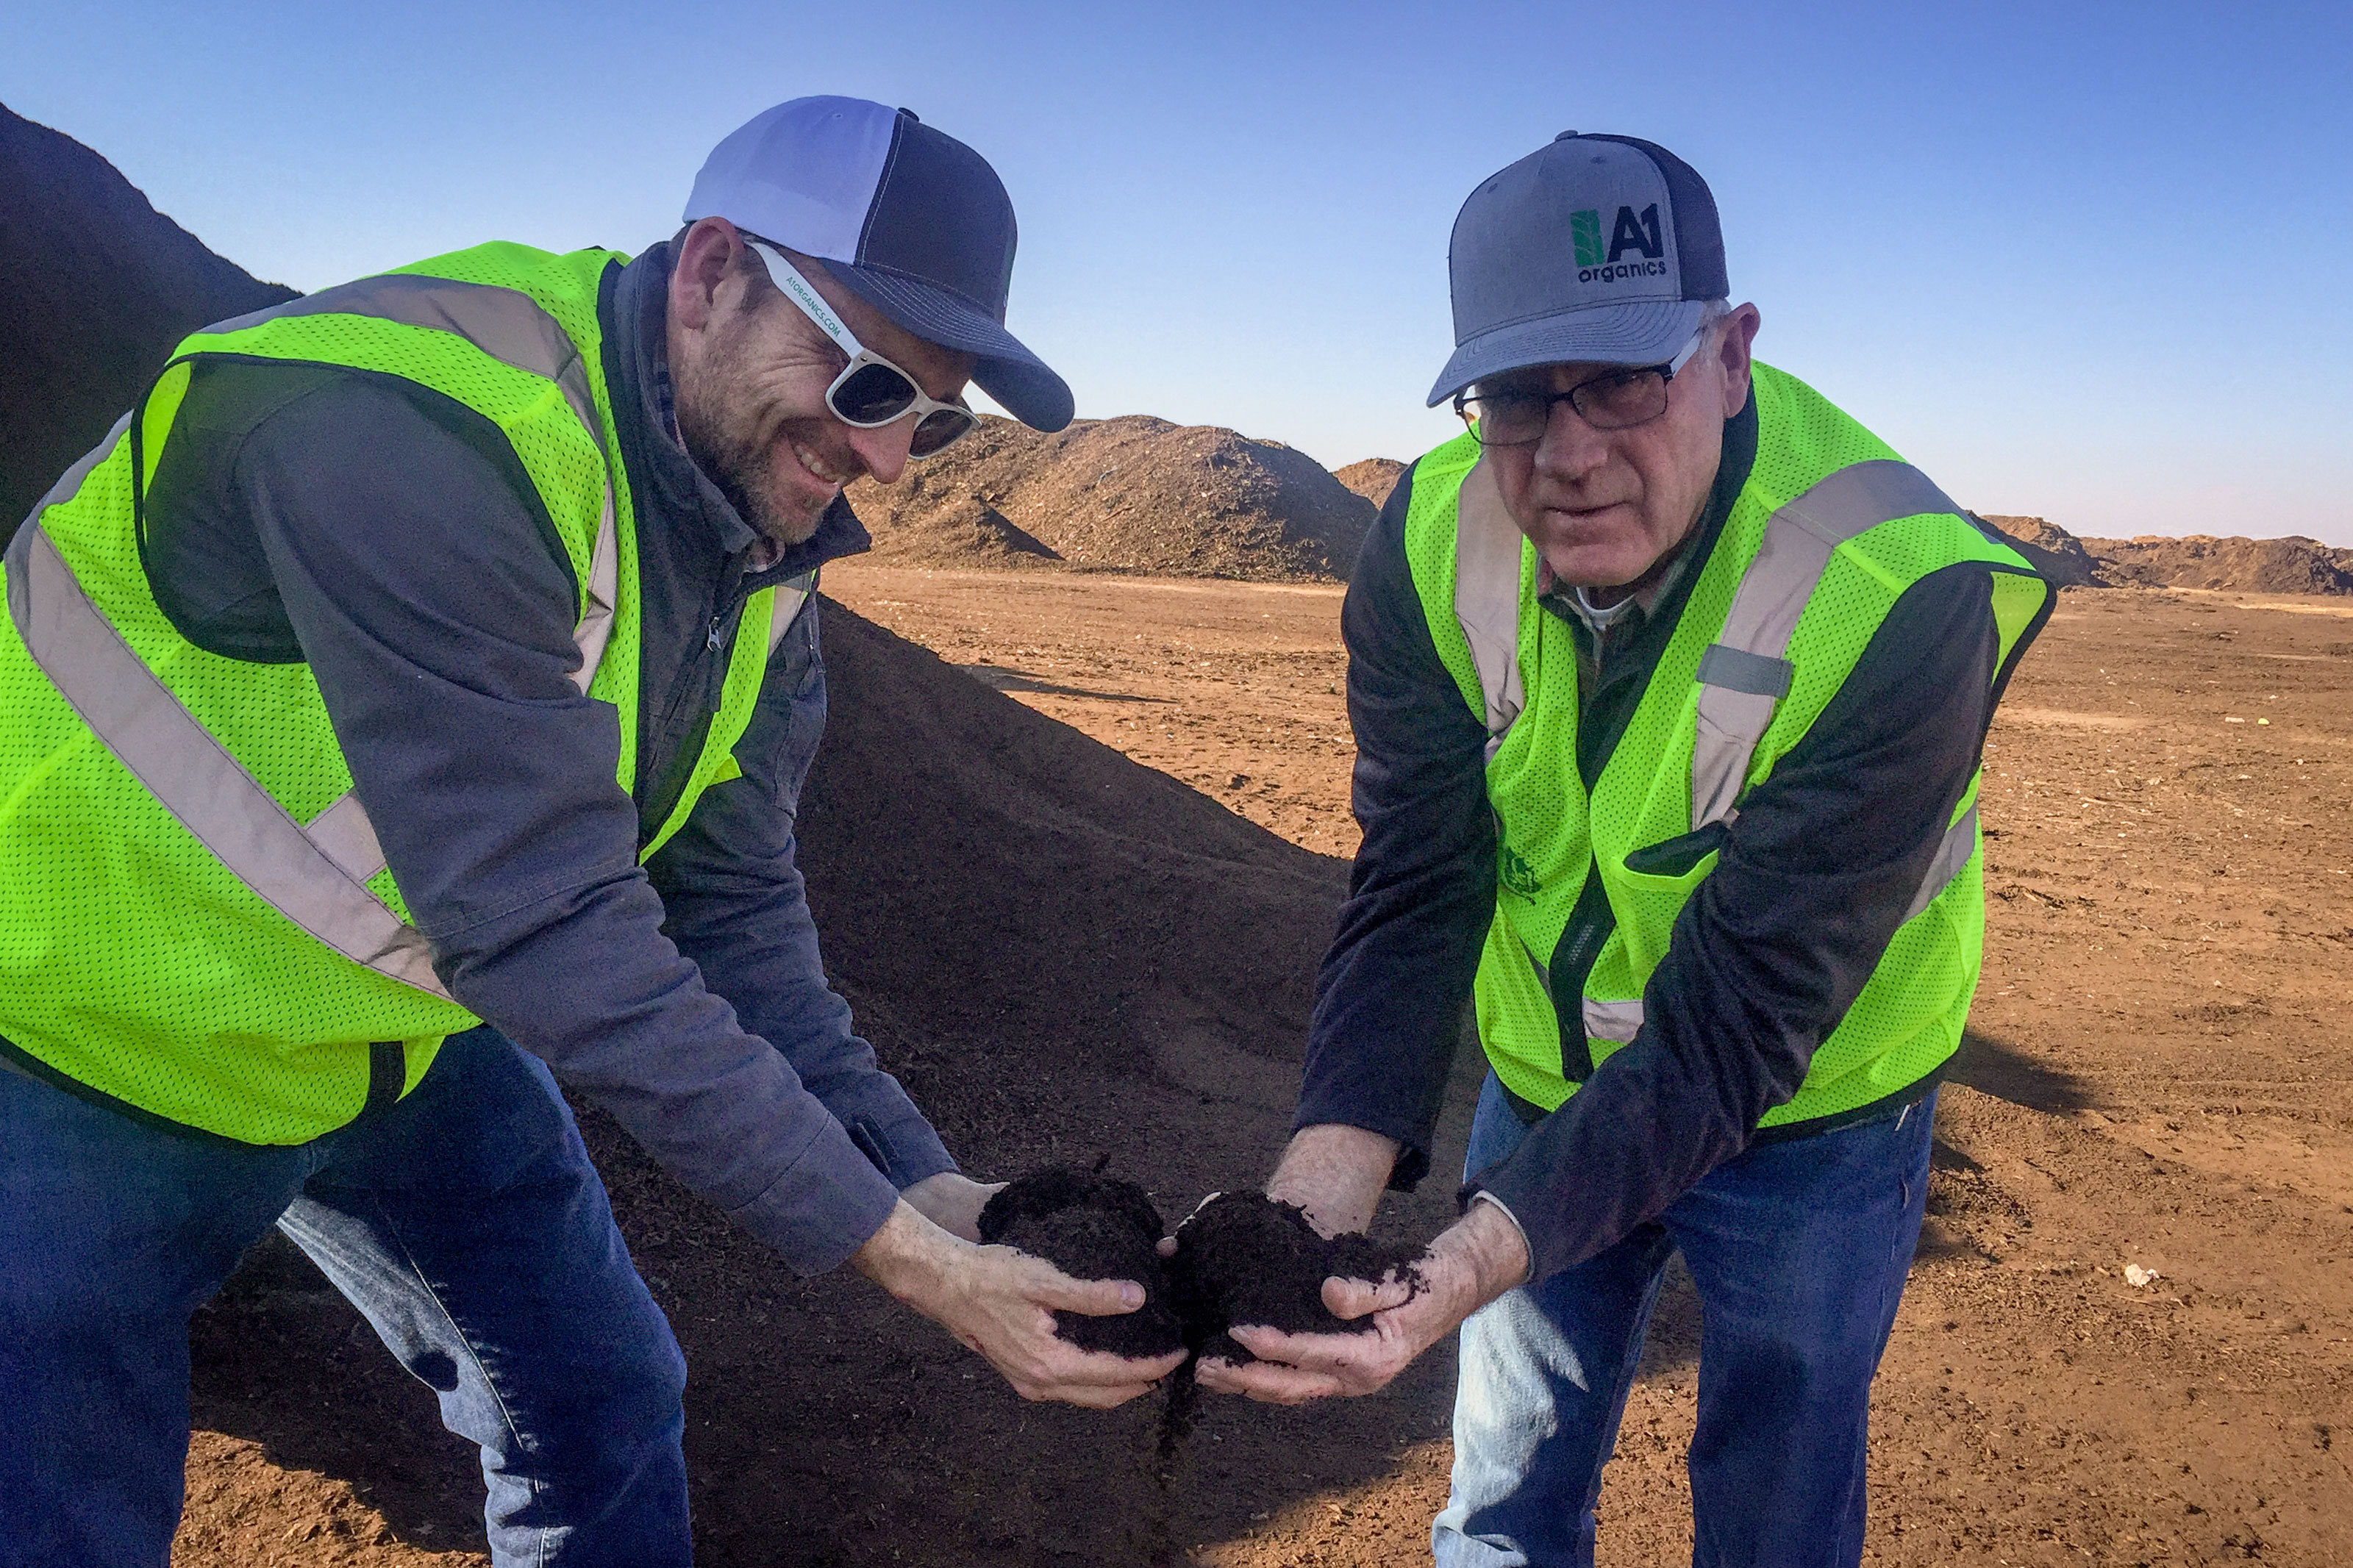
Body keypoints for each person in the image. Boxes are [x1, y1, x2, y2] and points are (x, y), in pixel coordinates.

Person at [0, 96, 1182, 1568]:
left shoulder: (757, 549)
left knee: (601, 1398)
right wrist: (904, 1260)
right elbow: (550, 920)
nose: (888, 462)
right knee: (61, 1522)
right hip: (80, 1043)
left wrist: (918, 1179)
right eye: (871, 380)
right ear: (709, 274)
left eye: (931, 421)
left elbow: (729, 906)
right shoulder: (410, 431)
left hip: (391, 1038)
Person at [1196, 132, 2052, 1567]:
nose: (1569, 453)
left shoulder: (1898, 589)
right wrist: (1307, 1210)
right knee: (1500, 1500)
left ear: (1728, 353)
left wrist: (1461, 1258)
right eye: (1517, 397)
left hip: (1815, 1106)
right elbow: (1420, 876)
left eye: (1624, 379)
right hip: (1544, 1075)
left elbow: (1733, 1028)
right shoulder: (1423, 535)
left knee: (1774, 1502)